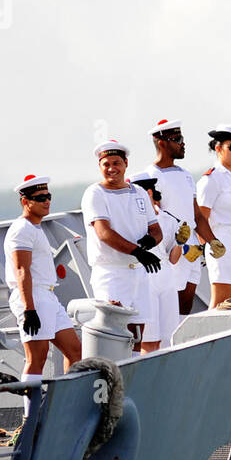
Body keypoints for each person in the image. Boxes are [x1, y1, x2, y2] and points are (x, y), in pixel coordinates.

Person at [4, 175, 82, 430]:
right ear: (25, 201)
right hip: (33, 297)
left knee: (75, 351)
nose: (47, 202)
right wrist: (29, 309)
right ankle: (31, 419)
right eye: (40, 198)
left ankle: (67, 408)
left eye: (48, 197)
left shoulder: (34, 228)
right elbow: (21, 270)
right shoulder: (22, 229)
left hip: (47, 296)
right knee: (36, 358)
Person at [80, 140, 162, 350]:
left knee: (136, 337)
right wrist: (138, 252)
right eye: (106, 164)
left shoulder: (140, 193)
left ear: (126, 163)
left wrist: (151, 241)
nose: (111, 168)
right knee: (113, 336)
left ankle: (132, 377)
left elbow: (156, 229)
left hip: (138, 274)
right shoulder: (95, 193)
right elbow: (104, 233)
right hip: (111, 274)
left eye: (116, 162)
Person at [146, 118, 215, 317]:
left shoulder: (185, 174)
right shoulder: (150, 175)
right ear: (161, 142)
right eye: (177, 139)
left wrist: (212, 241)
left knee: (186, 303)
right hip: (171, 247)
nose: (183, 143)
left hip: (191, 244)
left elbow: (196, 215)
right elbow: (153, 215)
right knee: (170, 305)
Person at [196, 125, 231, 309]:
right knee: (221, 304)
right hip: (224, 243)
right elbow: (201, 219)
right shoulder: (211, 180)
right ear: (218, 148)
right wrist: (206, 246)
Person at [130, 172, 184, 352]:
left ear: (150, 192)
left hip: (166, 276)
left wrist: (180, 243)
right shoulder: (131, 221)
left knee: (170, 337)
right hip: (145, 275)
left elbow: (173, 259)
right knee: (149, 340)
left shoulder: (168, 219)